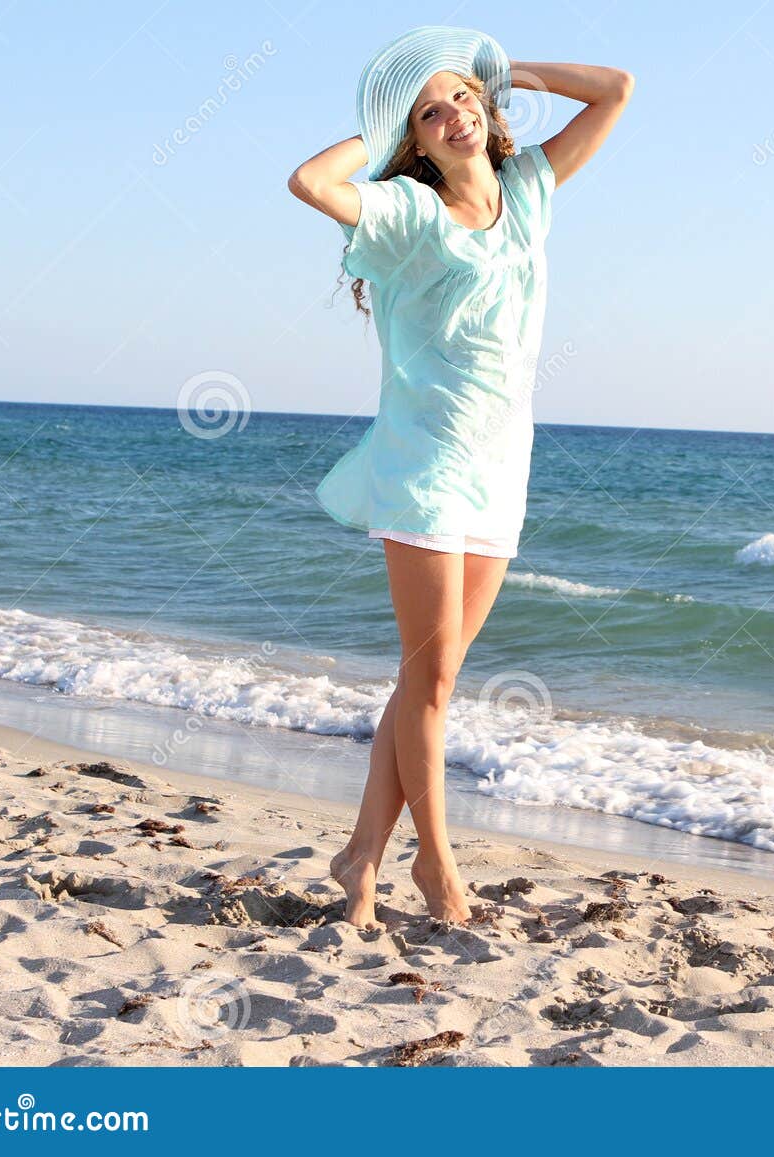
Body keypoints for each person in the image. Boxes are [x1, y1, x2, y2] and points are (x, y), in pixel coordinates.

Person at [288, 27, 633, 926]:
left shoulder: (531, 190)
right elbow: (311, 182)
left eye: (461, 100)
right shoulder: (410, 210)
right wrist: (382, 124)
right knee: (433, 682)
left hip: (502, 465)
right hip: (427, 463)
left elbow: (616, 87)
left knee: (425, 682)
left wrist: (503, 73)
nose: (452, 118)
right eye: (429, 113)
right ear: (415, 139)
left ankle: (360, 856)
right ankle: (435, 863)